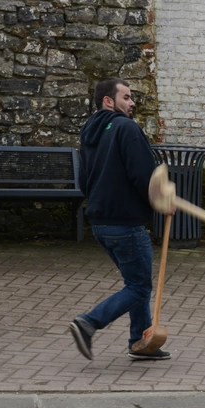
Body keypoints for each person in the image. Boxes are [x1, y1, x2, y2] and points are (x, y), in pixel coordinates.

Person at [68, 77, 170, 361]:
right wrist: (163, 200)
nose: (132, 102)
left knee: (135, 282)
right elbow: (144, 175)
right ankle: (88, 323)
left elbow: (84, 180)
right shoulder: (127, 128)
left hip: (101, 223)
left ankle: (140, 341)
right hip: (126, 224)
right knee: (139, 286)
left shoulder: (90, 131)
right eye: (126, 97)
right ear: (108, 101)